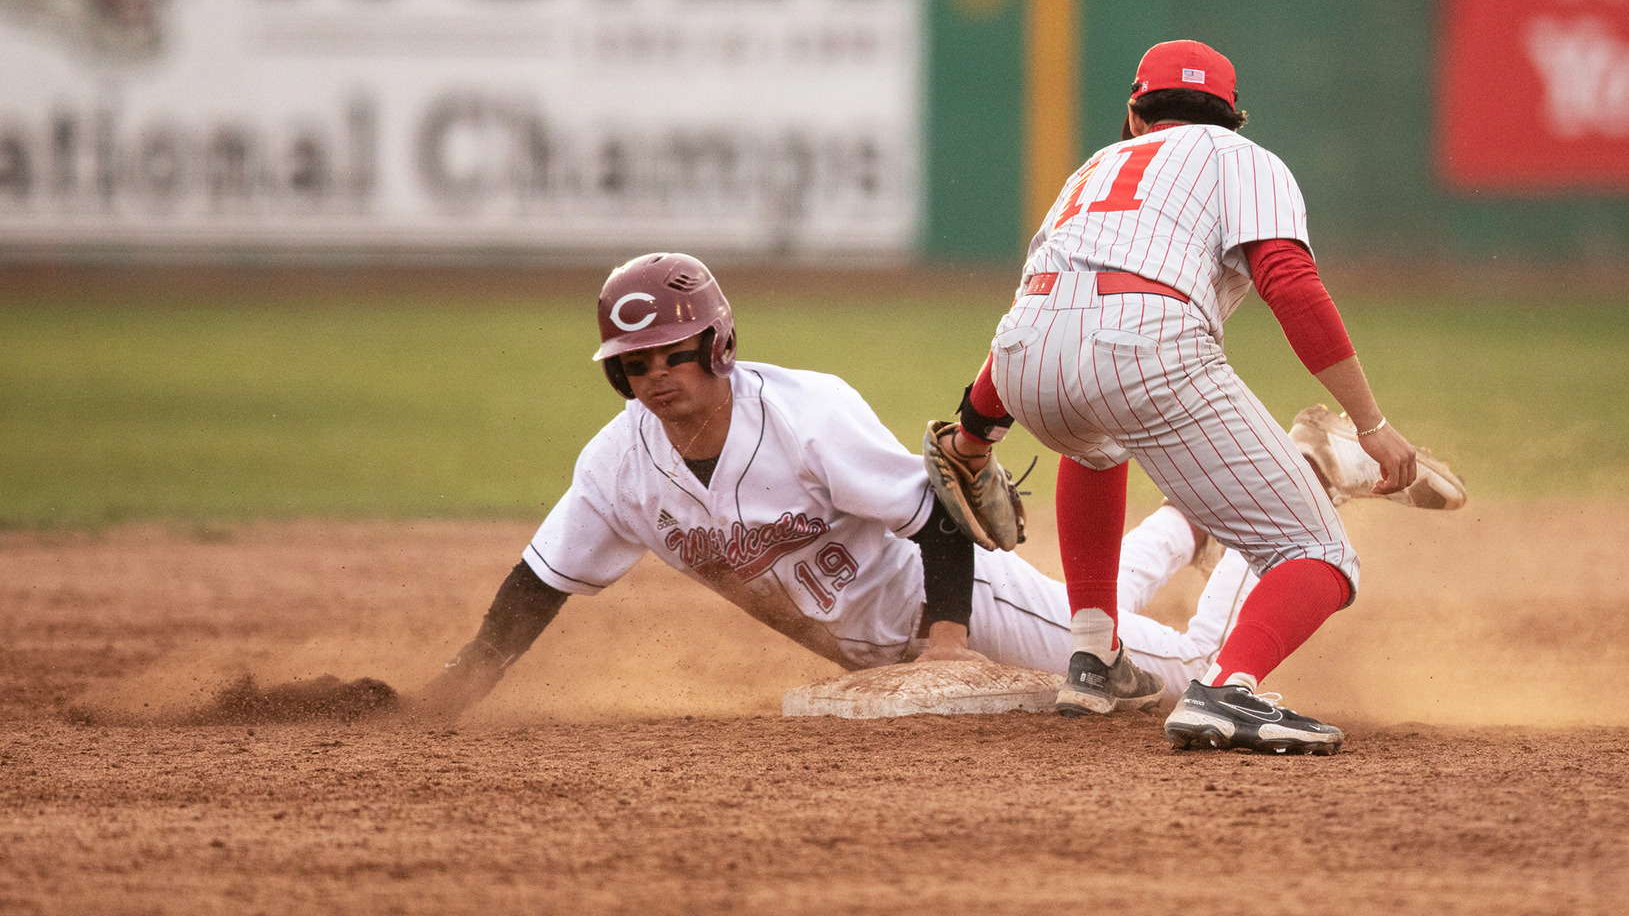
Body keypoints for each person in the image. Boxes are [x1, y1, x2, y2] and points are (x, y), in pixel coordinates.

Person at [414, 252, 1447, 720]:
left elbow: (938, 514)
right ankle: (1203, 511)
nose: (655, 380)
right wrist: (457, 692)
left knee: (1193, 671)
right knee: (1099, 612)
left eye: (672, 355)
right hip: (880, 640)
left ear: (719, 344)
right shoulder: (617, 467)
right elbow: (539, 582)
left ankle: (1298, 481)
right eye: (632, 368)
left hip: (959, 608)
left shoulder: (807, 415)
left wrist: (946, 650)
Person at [931, 39, 1456, 753]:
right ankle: (1228, 689)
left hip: (1020, 363)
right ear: (1232, 117)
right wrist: (1373, 422)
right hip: (1145, 348)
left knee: (1091, 443)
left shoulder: (1090, 171)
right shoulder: (1243, 158)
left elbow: (1040, 313)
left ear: (1135, 115)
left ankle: (1092, 657)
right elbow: (1290, 282)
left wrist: (972, 434)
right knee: (1317, 552)